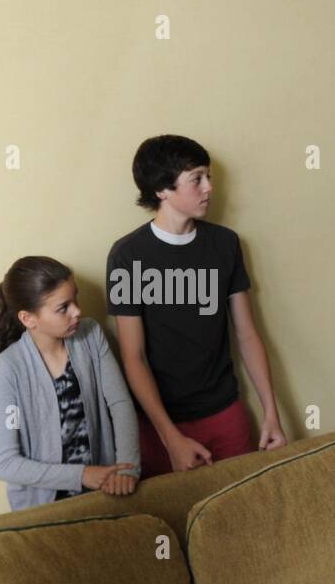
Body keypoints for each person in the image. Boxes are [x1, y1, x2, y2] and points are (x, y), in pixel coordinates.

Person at [106, 134, 287, 479]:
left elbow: (247, 335)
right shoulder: (126, 255)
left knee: (245, 512)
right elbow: (133, 357)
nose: (209, 188)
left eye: (209, 177)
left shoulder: (225, 244)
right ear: (162, 190)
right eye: (197, 179)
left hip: (225, 412)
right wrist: (170, 438)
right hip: (161, 425)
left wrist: (271, 413)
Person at [0, 257, 140, 510]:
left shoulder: (91, 336)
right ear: (28, 318)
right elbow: (6, 462)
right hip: (43, 510)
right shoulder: (9, 369)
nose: (77, 311)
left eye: (75, 299)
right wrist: (82, 474)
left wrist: (128, 469)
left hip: (106, 492)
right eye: (63, 307)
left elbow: (119, 403)